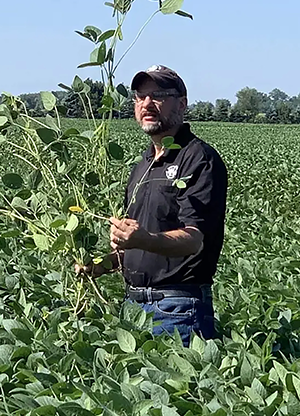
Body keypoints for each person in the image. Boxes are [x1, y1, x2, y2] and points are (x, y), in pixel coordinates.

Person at [76, 65, 228, 346]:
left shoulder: (198, 160)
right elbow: (135, 245)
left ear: (182, 104)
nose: (146, 103)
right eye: (139, 96)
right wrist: (99, 265)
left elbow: (194, 240)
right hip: (133, 309)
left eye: (158, 95)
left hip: (178, 309)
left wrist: (143, 239)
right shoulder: (143, 167)